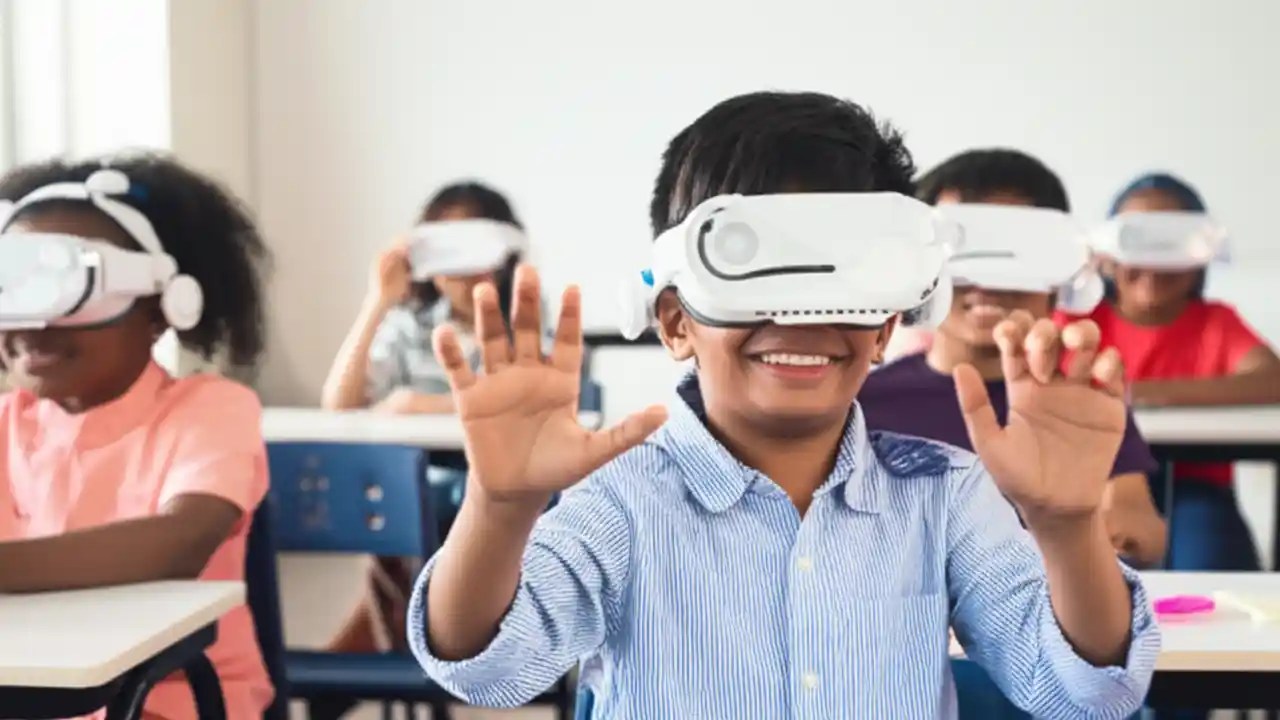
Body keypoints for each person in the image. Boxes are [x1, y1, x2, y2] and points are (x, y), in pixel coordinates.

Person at [407, 92, 1158, 718]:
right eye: (754, 271)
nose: (802, 316)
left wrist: (1066, 528)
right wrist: (500, 507)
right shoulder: (625, 497)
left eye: (842, 280)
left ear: (887, 323)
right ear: (674, 321)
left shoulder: (946, 494)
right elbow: (486, 668)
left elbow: (1086, 691)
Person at [0, 154, 272, 719]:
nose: (32, 322)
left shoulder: (210, 409)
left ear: (159, 307)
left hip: (171, 696)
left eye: (67, 290)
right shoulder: (7, 423)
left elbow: (180, 540)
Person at [866, 149, 1167, 566]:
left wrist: (1083, 523)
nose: (986, 282)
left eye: (1016, 252)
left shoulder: (1079, 397)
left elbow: (1140, 527)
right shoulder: (862, 402)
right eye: (962, 250)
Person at [1068, 172, 1280, 572]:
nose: (1154, 264)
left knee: (1209, 565)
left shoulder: (1216, 322)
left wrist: (1140, 393)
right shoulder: (1077, 320)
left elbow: (1272, 379)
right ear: (1107, 255)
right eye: (1137, 243)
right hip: (1090, 485)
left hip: (1197, 487)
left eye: (1172, 247)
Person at [322, 181, 526, 414]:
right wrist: (378, 300)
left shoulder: (527, 325)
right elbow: (339, 403)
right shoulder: (409, 326)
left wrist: (419, 406)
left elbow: (533, 405)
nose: (461, 269)